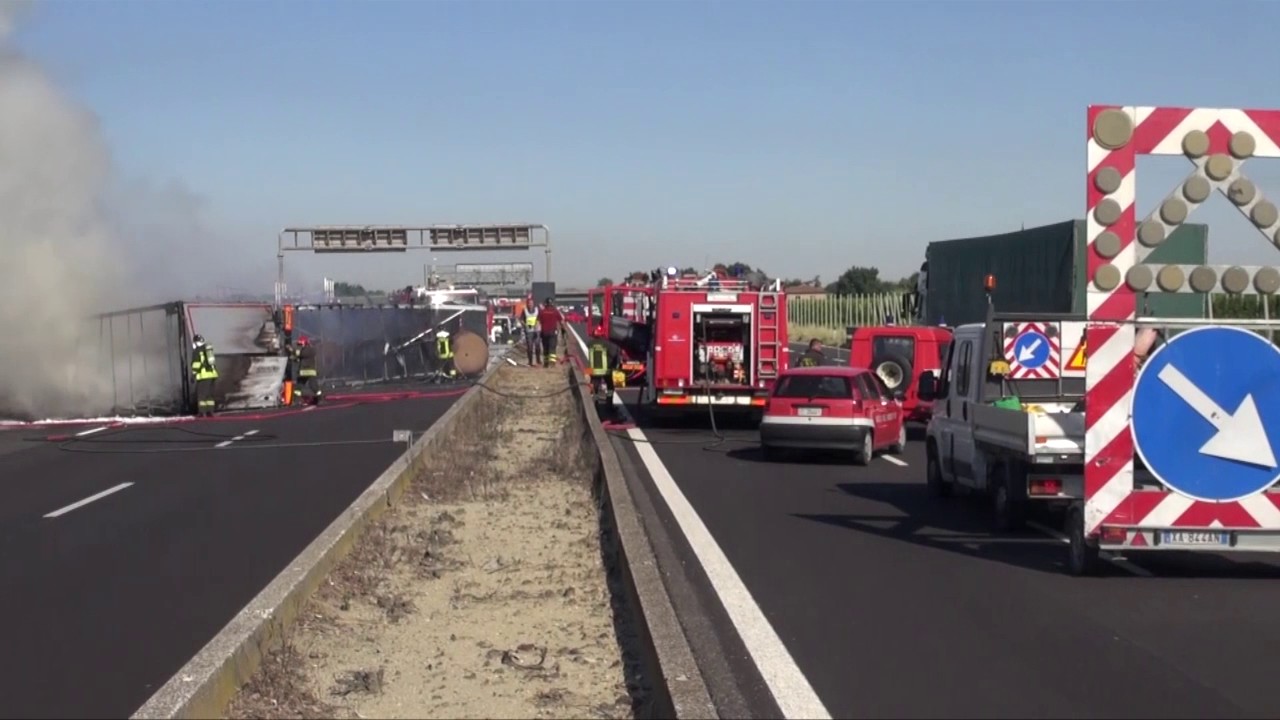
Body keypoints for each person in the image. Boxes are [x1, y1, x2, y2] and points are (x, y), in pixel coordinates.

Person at [587, 325, 622, 400]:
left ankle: (594, 401)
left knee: (594, 386)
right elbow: (615, 351)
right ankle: (609, 402)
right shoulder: (607, 344)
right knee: (610, 386)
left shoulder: (590, 343)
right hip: (605, 369)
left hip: (593, 369)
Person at [190, 334, 218, 417]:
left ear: (196, 342)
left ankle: (202, 412)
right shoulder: (207, 349)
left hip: (204, 376)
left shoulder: (197, 351)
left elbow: (196, 364)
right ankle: (210, 411)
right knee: (209, 395)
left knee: (202, 395)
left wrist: (193, 374)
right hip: (212, 375)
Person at [536, 297, 566, 367]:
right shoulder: (555, 311)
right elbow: (561, 321)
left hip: (544, 333)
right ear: (552, 304)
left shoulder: (542, 312)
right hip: (553, 332)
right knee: (552, 348)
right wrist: (563, 329)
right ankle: (552, 363)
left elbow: (537, 322)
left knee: (545, 348)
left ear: (546, 304)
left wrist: (537, 332)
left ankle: (546, 363)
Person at [295, 335, 323, 405]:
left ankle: (320, 398)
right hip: (303, 373)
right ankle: (296, 400)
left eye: (300, 343)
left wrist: (296, 349)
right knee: (298, 387)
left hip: (309, 372)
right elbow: (296, 358)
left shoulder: (309, 350)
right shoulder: (303, 350)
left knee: (314, 386)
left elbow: (300, 354)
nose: (299, 345)